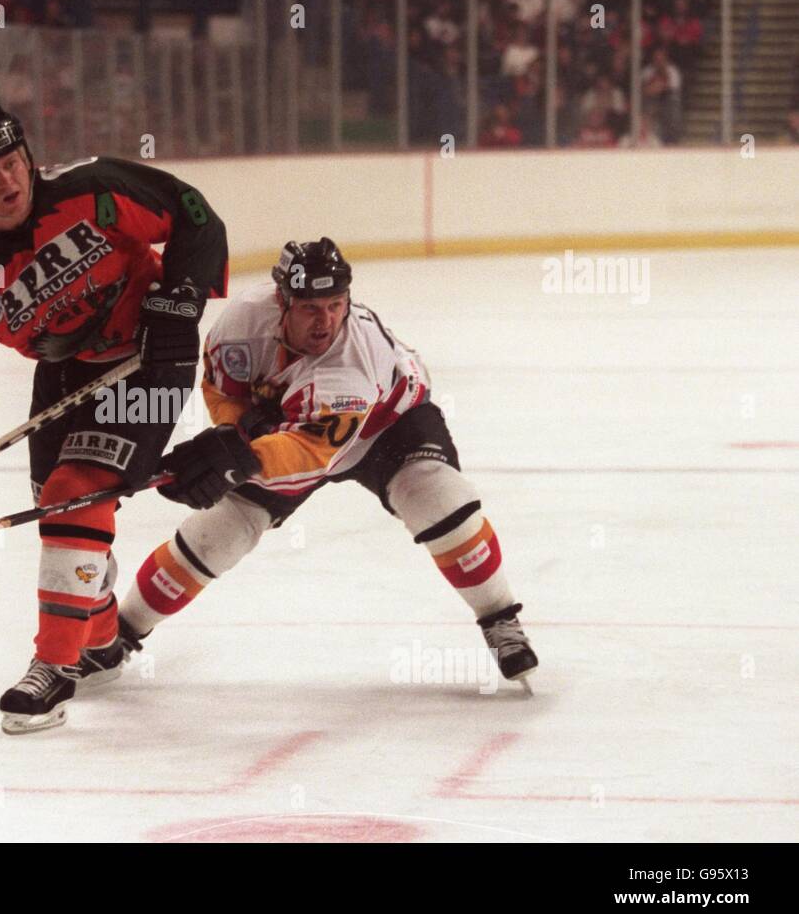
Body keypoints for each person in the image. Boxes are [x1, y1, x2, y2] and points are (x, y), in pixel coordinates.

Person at [0, 99, 227, 734]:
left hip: (148, 358)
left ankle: (53, 668)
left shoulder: (94, 189)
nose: (7, 182)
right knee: (57, 510)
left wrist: (180, 297)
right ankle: (98, 644)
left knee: (72, 496)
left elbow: (193, 214)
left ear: (28, 156)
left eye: (12, 164)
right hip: (64, 373)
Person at [103, 238, 537, 687]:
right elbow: (222, 389)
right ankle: (121, 633)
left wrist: (237, 457)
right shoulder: (242, 323)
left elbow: (310, 455)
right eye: (311, 307)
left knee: (438, 498)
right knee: (218, 533)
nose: (326, 320)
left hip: (389, 426)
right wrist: (233, 433)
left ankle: (500, 617)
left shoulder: (354, 358)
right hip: (295, 430)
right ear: (283, 302)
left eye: (336, 304)